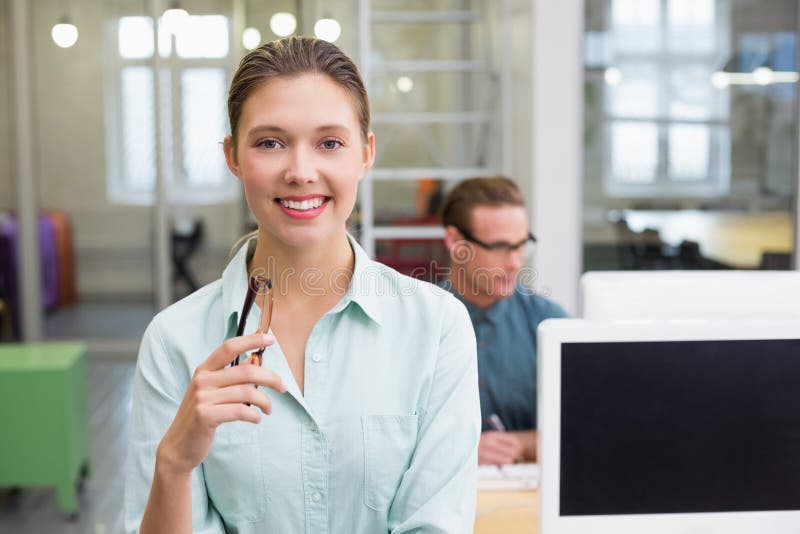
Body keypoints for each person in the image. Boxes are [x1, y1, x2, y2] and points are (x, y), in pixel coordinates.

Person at [124, 36, 480, 533]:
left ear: (366, 154)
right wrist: (173, 464)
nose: (300, 172)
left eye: (329, 143)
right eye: (270, 143)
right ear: (232, 156)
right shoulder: (174, 341)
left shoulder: (437, 328)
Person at [439, 177, 568, 466]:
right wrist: (461, 451)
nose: (515, 263)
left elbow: (587, 426)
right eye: (499, 247)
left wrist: (520, 444)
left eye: (520, 245)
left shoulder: (550, 323)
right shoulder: (415, 325)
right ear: (456, 242)